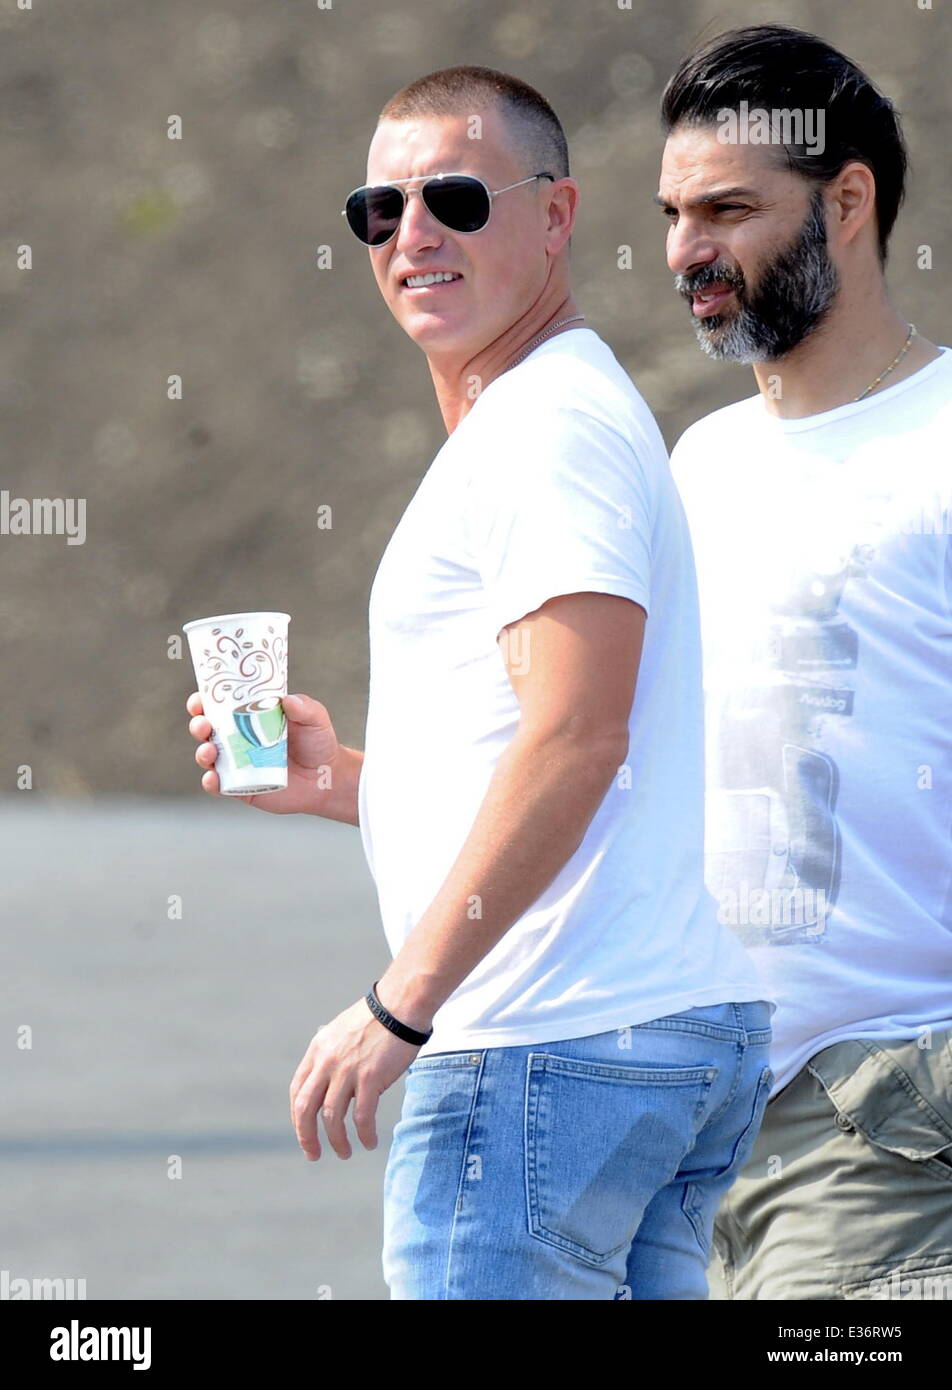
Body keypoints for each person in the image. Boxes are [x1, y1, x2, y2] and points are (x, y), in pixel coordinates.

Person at [188, 64, 773, 1301]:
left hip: (546, 1046)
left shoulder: (543, 432)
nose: (412, 235)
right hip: (654, 1033)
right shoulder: (548, 418)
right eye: (377, 210)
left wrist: (398, 1009)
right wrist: (349, 782)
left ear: (555, 216)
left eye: (454, 197)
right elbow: (556, 742)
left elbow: (574, 739)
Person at [657, 24, 952, 1299]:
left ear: (847, 201)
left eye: (727, 209)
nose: (683, 252)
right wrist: (349, 779)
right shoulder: (700, 462)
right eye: (671, 213)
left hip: (887, 1116)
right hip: (698, 1130)